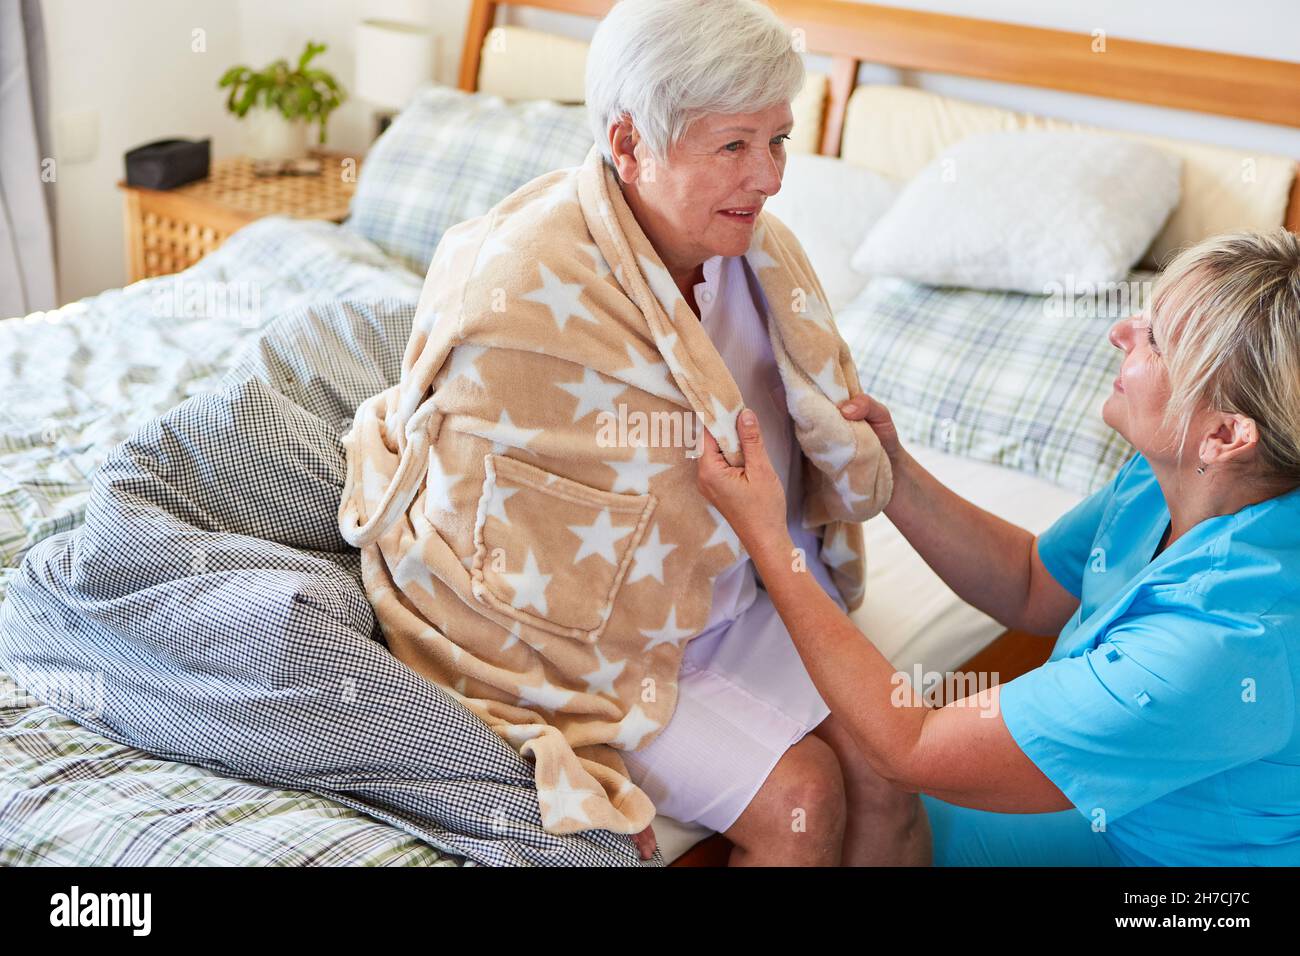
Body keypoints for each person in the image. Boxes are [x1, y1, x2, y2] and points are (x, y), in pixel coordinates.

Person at [697, 229, 1300, 865]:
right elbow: (1031, 584)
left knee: (872, 783)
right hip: (1118, 818)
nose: (1121, 331)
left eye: (1156, 340)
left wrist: (768, 541)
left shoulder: (1219, 642)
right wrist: (892, 469)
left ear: (1225, 435)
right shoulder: (1173, 480)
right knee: (861, 795)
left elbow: (912, 749)